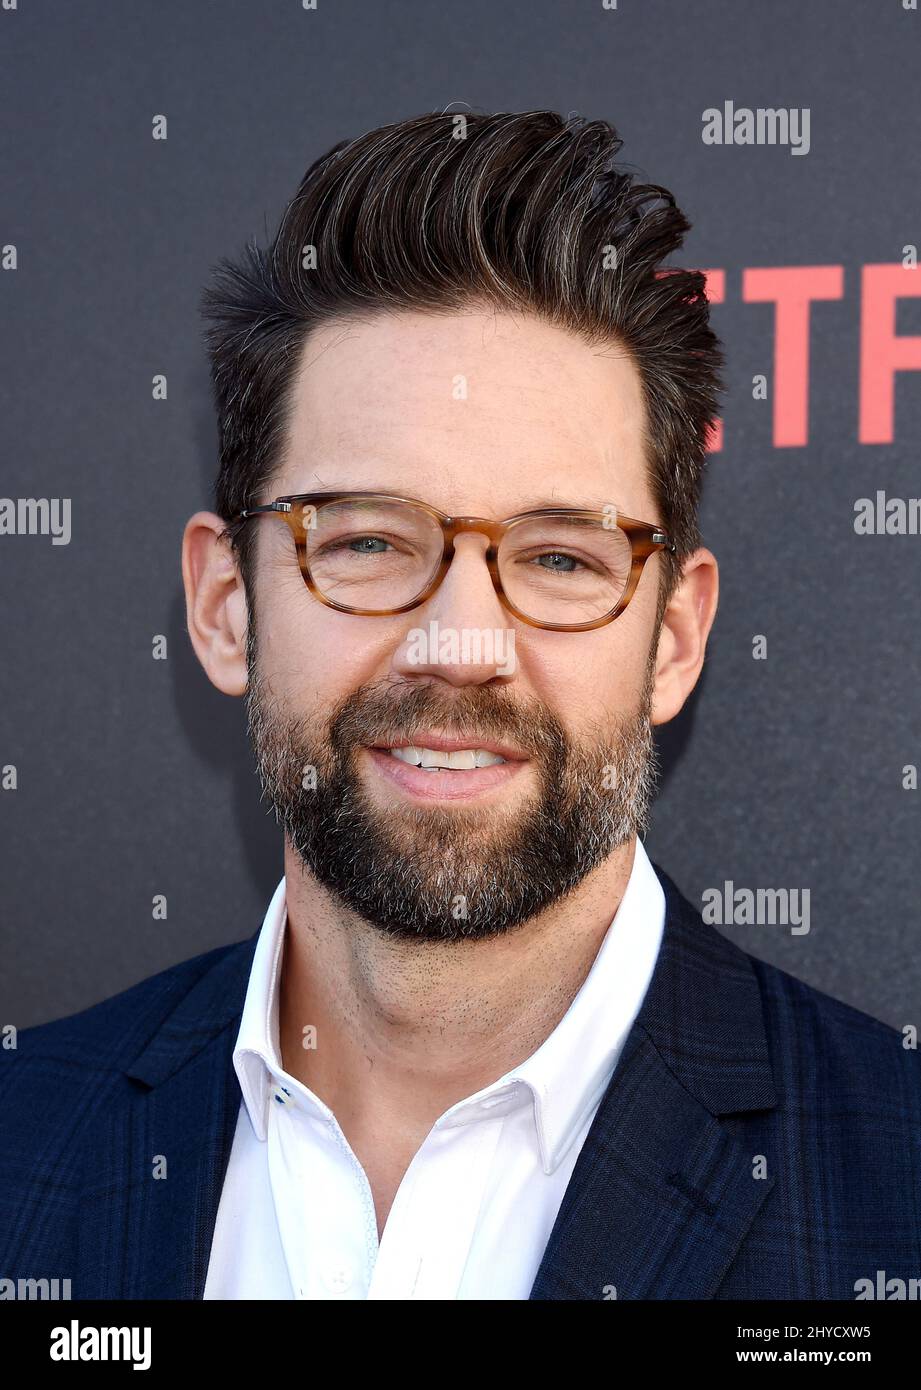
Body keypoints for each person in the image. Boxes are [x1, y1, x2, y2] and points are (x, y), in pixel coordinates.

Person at [2, 111, 918, 1301]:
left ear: (675, 638)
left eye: (560, 557)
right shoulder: (24, 1138)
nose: (461, 647)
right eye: (369, 541)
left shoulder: (896, 1193)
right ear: (226, 606)